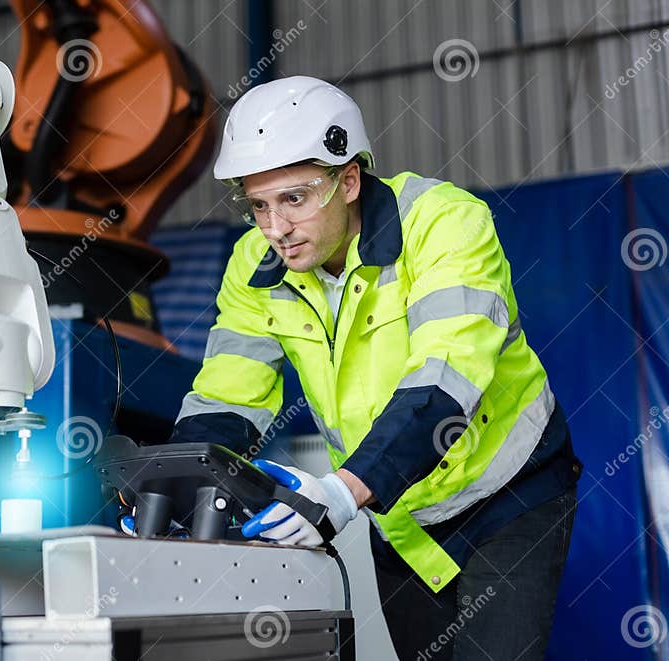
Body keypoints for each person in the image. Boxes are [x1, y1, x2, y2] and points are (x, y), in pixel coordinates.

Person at [167, 75, 581, 660]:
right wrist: (178, 482)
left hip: (507, 493)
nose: (275, 228)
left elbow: (445, 383)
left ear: (350, 180)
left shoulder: (444, 223)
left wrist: (339, 493)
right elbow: (229, 393)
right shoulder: (254, 264)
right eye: (258, 204)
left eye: (294, 198)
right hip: (399, 517)